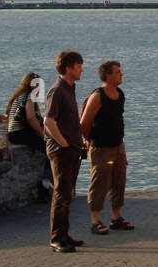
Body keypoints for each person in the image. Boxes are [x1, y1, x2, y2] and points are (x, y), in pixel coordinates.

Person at [80, 60, 132, 235]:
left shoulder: (120, 94)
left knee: (119, 181)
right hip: (101, 148)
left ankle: (116, 217)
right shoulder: (98, 96)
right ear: (108, 75)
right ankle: (95, 220)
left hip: (118, 146)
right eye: (118, 72)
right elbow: (85, 123)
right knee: (100, 183)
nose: (121, 74)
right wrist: (90, 139)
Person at [43, 50, 86, 252]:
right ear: (68, 68)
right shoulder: (57, 90)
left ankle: (64, 233)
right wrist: (64, 144)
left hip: (72, 148)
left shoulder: (70, 88)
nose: (81, 70)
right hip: (61, 151)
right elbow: (49, 121)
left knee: (67, 193)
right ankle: (56, 237)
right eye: (78, 66)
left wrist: (79, 141)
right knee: (61, 193)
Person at [6, 71, 53, 191]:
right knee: (50, 149)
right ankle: (45, 183)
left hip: (13, 134)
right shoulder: (29, 96)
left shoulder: (19, 96)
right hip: (20, 132)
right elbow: (31, 118)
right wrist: (43, 135)